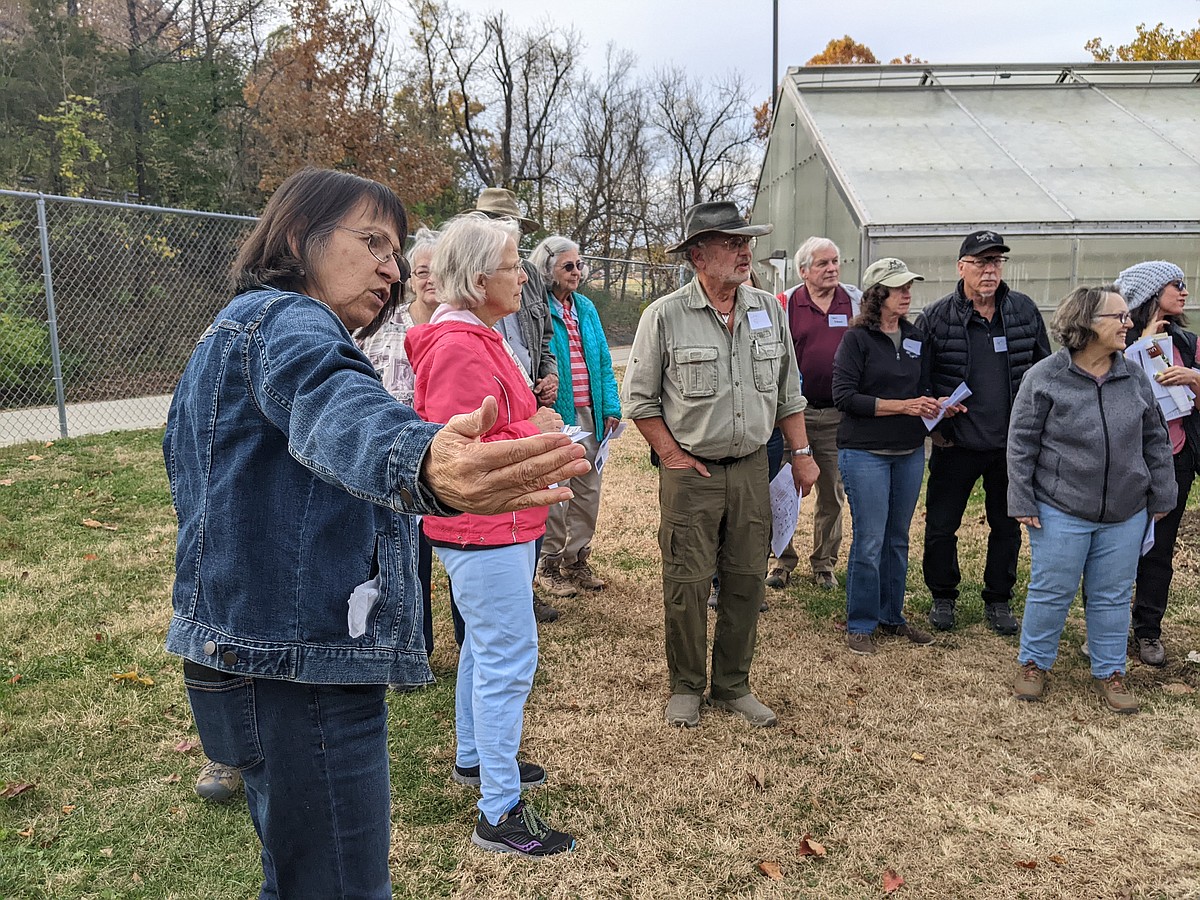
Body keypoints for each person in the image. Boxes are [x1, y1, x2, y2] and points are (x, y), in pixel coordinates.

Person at [164, 168, 589, 895]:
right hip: (302, 673)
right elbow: (338, 406)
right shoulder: (287, 323)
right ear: (300, 236)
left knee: (299, 876)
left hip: (249, 656)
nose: (393, 269)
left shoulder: (230, 331)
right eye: (373, 243)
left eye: (396, 251)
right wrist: (426, 459)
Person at [406, 213, 576, 858]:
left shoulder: (483, 336)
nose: (522, 278)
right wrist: (541, 433)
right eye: (511, 266)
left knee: (485, 647)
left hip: (501, 521)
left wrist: (535, 419)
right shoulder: (458, 345)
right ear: (479, 279)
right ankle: (498, 811)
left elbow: (497, 422)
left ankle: (476, 758)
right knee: (508, 660)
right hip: (485, 526)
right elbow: (457, 447)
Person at [622, 201, 819, 730]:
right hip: (692, 475)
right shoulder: (663, 316)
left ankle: (733, 684)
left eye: (746, 242)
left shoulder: (767, 309)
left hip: (754, 467)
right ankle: (686, 686)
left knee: (747, 577)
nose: (744, 251)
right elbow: (639, 401)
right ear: (697, 255)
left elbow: (788, 393)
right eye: (732, 243)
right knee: (686, 582)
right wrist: (672, 457)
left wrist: (800, 455)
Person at [1008, 285, 1174, 713]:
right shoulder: (1044, 376)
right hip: (1061, 506)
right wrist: (1022, 499)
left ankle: (1110, 671)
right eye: (1118, 318)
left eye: (1126, 317)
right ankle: (1033, 664)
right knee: (1051, 588)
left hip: (1126, 510)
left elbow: (1154, 436)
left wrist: (1162, 490)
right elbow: (1022, 443)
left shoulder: (1133, 374)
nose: (1129, 324)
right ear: (1086, 324)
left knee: (1114, 594)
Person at [916, 230, 1050, 634]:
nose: (989, 270)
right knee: (942, 524)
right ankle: (943, 595)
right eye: (980, 262)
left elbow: (1044, 371)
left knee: (1007, 527)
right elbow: (921, 380)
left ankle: (999, 599)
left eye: (996, 262)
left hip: (1010, 445)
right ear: (962, 268)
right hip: (955, 442)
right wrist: (936, 426)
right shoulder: (937, 317)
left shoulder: (1024, 311)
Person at [833, 258, 958, 656]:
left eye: (909, 287)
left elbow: (922, 387)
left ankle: (892, 615)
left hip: (907, 453)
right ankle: (861, 623)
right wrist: (902, 407)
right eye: (898, 287)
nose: (907, 294)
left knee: (897, 539)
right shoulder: (856, 340)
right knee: (869, 540)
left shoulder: (916, 336)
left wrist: (938, 405)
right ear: (876, 294)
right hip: (865, 452)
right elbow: (845, 397)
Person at [464, 187, 562, 623]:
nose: (509, 236)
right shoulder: (466, 312)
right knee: (495, 493)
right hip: (494, 398)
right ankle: (487, 611)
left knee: (529, 489)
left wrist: (548, 371)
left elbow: (543, 335)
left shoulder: (529, 277)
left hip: (526, 392)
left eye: (514, 229)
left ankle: (524, 587)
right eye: (495, 224)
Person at [357, 227, 441, 660]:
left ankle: (418, 645)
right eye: (422, 270)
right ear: (410, 276)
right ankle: (403, 645)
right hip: (387, 454)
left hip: (435, 458)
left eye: (438, 270)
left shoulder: (455, 327)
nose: (430, 279)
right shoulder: (382, 325)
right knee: (392, 556)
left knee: (423, 553)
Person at [528, 235, 621, 596]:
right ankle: (548, 564)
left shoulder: (585, 308)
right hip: (558, 416)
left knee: (587, 491)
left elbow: (602, 362)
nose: (577, 272)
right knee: (556, 492)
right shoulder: (537, 309)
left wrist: (611, 407)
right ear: (547, 268)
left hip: (592, 415)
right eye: (568, 266)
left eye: (579, 265)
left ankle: (577, 559)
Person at [767, 236, 862, 590]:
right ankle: (782, 560)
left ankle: (824, 563)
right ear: (803, 270)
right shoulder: (786, 304)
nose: (832, 268)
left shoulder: (853, 301)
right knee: (783, 489)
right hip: (794, 415)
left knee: (831, 493)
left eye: (835, 261)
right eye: (823, 263)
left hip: (837, 415)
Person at [1115, 261, 1197, 667]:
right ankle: (1106, 627)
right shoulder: (1113, 337)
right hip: (1124, 463)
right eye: (1175, 285)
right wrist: (1139, 346)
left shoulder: (1187, 341)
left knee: (1160, 550)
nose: (1184, 292)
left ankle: (1148, 630)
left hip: (1174, 458)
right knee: (1113, 547)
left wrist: (1194, 379)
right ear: (1150, 293)